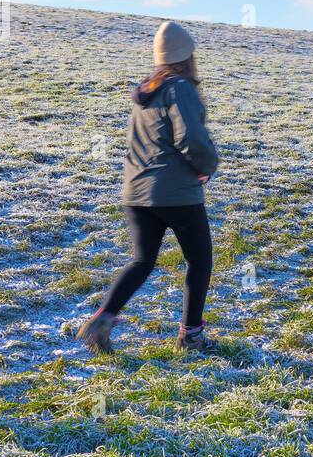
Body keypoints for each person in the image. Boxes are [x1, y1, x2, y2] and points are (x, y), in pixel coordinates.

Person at [78, 21, 219, 355]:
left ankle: (102, 319)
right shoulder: (179, 88)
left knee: (142, 261)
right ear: (188, 56)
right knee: (200, 260)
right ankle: (191, 335)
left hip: (137, 191)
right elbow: (190, 139)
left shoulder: (146, 90)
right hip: (174, 192)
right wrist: (205, 167)